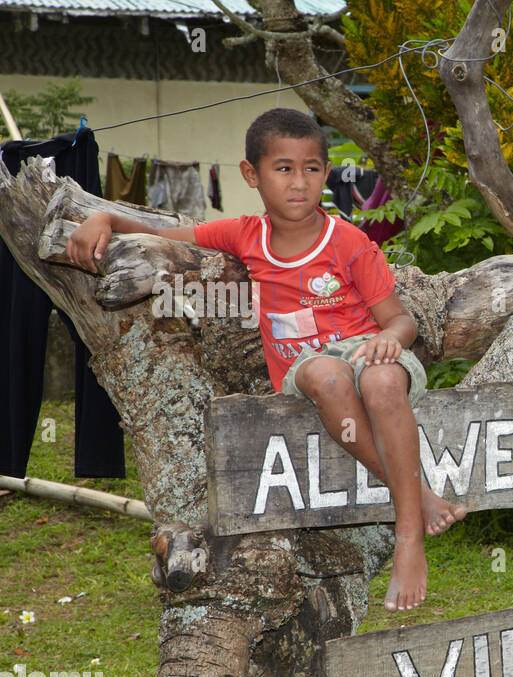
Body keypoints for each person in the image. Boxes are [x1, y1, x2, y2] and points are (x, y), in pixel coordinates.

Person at [66, 108, 465, 613]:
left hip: (366, 350)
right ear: (251, 174)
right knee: (326, 372)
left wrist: (390, 338)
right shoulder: (244, 235)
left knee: (385, 381)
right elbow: (161, 229)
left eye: (313, 168)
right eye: (284, 168)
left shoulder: (349, 242)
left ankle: (410, 537)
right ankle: (418, 494)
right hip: (310, 369)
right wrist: (100, 218)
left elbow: (400, 320)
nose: (300, 182)